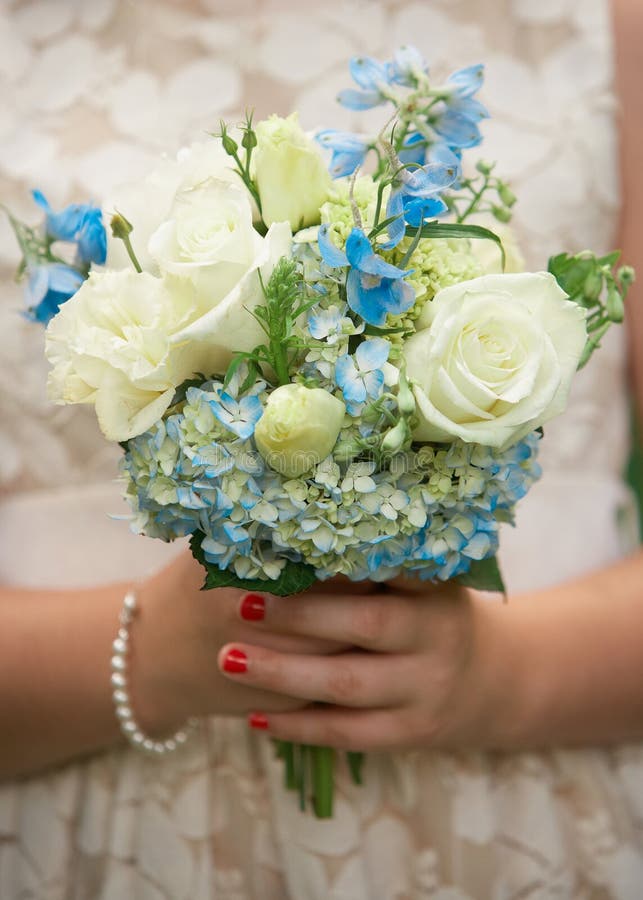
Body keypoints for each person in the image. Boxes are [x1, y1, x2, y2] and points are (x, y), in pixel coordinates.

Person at [0, 0, 642, 897]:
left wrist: (503, 677)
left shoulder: (605, 28)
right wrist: (146, 659)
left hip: (522, 811)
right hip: (109, 830)